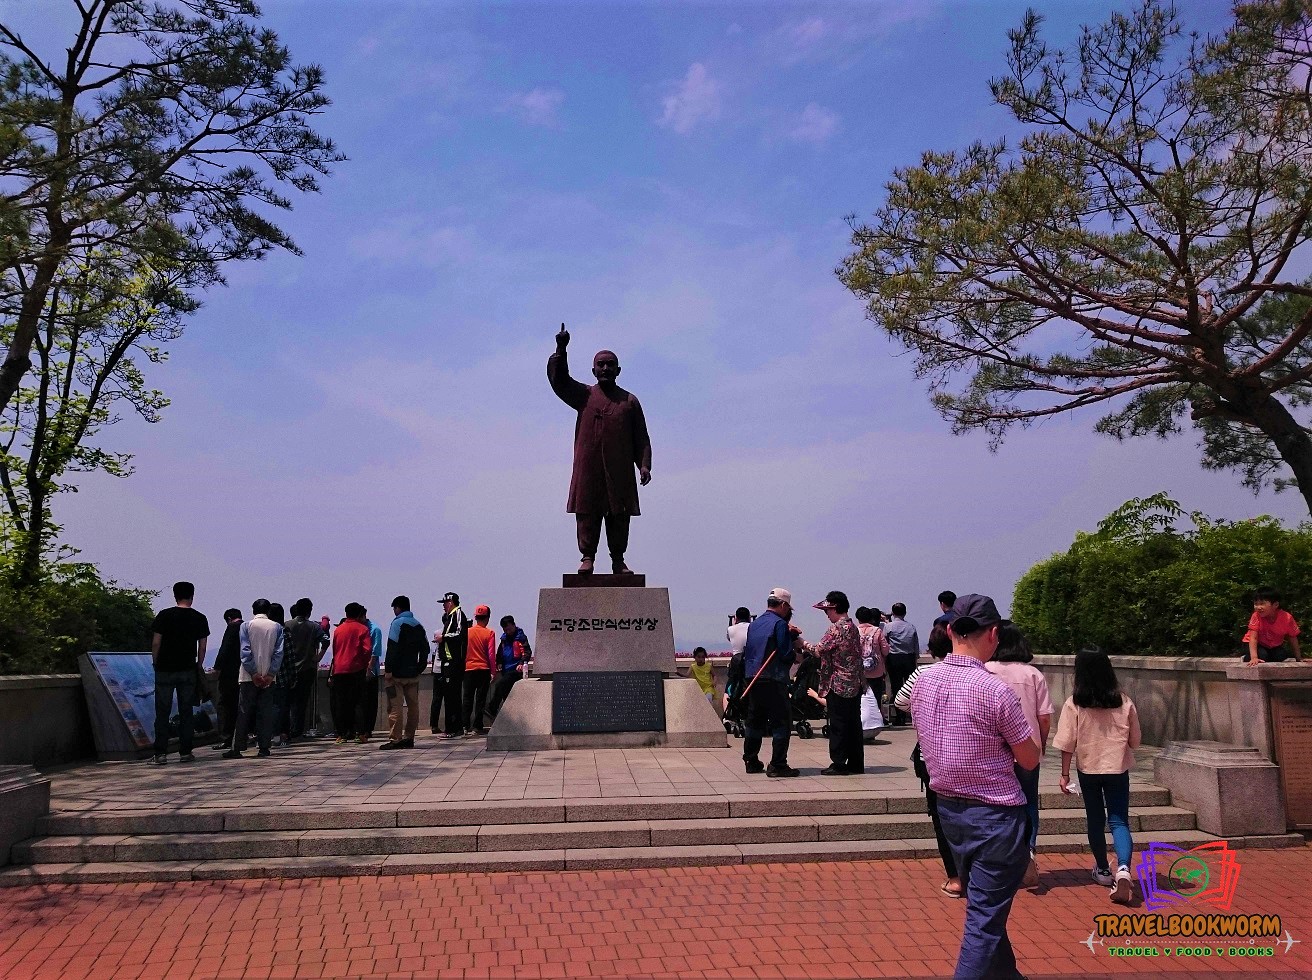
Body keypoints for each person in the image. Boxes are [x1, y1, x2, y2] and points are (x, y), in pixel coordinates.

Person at [910, 594, 1040, 980]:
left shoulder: (922, 682)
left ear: (950, 630)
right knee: (983, 921)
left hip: (950, 811)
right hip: (996, 816)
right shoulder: (994, 690)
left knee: (985, 909)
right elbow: (1029, 759)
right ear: (994, 634)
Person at [548, 324, 652, 575]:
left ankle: (618, 559)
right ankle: (587, 556)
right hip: (589, 466)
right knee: (587, 512)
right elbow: (560, 381)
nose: (605, 368)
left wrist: (644, 464)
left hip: (619, 468)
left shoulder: (629, 402)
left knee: (619, 514)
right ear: (593, 370)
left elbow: (641, 437)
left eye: (610, 364)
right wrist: (561, 348)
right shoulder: (583, 395)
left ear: (618, 370)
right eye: (601, 364)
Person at [1053, 646, 1142, 906]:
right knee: (1119, 821)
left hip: (1088, 768)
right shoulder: (1123, 701)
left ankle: (1103, 869)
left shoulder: (1075, 703)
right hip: (1117, 768)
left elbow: (1067, 742)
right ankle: (1123, 868)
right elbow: (1135, 741)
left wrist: (1064, 774)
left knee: (1095, 819)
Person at [986, 625, 1054, 889]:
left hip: (992, 749)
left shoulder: (986, 671)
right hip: (1028, 748)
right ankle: (1029, 850)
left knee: (996, 805)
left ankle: (1000, 856)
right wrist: (1041, 745)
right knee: (1029, 802)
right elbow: (1044, 718)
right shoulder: (1033, 674)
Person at [896, 625, 959, 897]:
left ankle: (955, 877)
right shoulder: (971, 673)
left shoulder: (922, 673)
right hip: (965, 753)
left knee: (939, 815)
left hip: (930, 754)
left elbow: (900, 701)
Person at [795, 591, 864, 776]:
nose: (826, 614)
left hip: (838, 684)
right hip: (855, 682)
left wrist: (802, 643)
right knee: (853, 724)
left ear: (835, 608)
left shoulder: (836, 629)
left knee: (838, 724)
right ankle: (856, 763)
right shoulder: (853, 627)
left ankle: (839, 763)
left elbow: (818, 650)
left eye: (827, 610)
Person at [741, 587, 800, 777]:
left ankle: (751, 760)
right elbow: (785, 654)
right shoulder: (780, 624)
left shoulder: (755, 624)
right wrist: (794, 647)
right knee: (781, 721)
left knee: (755, 721)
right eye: (788, 607)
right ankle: (778, 764)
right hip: (773, 678)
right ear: (783, 605)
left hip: (753, 678)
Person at [149, 581, 210, 764]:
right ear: (192, 596)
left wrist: (156, 662)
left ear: (175, 596)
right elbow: (202, 647)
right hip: (187, 669)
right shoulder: (199, 618)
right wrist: (199, 665)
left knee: (162, 711)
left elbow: (156, 643)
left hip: (165, 669)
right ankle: (185, 752)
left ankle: (160, 754)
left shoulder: (164, 615)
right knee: (186, 711)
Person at [224, 598, 284, 759]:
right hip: (269, 677)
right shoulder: (277, 627)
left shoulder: (246, 626)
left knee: (243, 712)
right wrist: (270, 674)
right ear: (268, 611)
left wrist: (253, 673)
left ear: (253, 610)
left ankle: (237, 747)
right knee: (265, 712)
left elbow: (245, 651)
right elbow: (278, 653)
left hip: (248, 676)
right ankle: (264, 747)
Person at [380, 595, 429, 750]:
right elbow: (425, 649)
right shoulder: (418, 625)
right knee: (413, 707)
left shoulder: (397, 623)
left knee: (395, 707)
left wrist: (388, 670)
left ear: (398, 608)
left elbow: (392, 648)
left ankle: (396, 739)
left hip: (396, 675)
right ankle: (409, 738)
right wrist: (419, 668)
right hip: (412, 674)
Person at [329, 603, 372, 744]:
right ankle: (360, 733)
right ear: (359, 614)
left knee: (341, 703)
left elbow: (335, 650)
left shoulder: (338, 630)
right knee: (358, 701)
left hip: (339, 669)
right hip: (356, 669)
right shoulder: (362, 629)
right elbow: (367, 650)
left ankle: (342, 734)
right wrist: (364, 664)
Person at [284, 599, 325, 740]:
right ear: (310, 611)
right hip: (307, 668)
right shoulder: (314, 627)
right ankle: (297, 731)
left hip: (289, 668)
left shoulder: (286, 625)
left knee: (287, 701)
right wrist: (319, 656)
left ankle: (285, 730)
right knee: (301, 702)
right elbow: (326, 640)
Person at [436, 592, 470, 739]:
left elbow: (460, 634)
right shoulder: (450, 616)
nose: (443, 606)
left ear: (450, 602)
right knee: (450, 696)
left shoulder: (458, 614)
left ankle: (453, 728)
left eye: (444, 603)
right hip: (448, 662)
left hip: (454, 662)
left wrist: (443, 637)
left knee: (452, 697)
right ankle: (453, 728)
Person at [210, 608, 243, 751]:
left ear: (229, 619)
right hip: (244, 672)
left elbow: (225, 648)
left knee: (225, 705)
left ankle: (226, 737)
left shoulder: (232, 627)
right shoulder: (246, 627)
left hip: (229, 674)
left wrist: (217, 667)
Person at [883, 601, 920, 726]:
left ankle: (900, 717)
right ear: (905, 613)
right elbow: (916, 646)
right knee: (911, 688)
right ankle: (913, 716)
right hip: (908, 658)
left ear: (893, 613)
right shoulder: (911, 627)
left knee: (896, 687)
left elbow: (885, 644)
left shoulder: (888, 627)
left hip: (894, 659)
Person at [1242, 586, 1303, 664]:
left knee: (1281, 655)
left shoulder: (1287, 618)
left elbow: (1293, 638)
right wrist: (1254, 658)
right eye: (1256, 604)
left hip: (1271, 646)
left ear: (1276, 605)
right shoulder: (1256, 616)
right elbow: (1253, 638)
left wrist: (1299, 658)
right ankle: (1247, 658)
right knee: (1262, 655)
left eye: (1262, 604)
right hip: (1252, 643)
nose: (1258, 607)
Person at [487, 615, 532, 720]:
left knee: (500, 684)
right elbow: (500, 653)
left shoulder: (521, 637)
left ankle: (492, 708)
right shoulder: (504, 639)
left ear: (513, 625)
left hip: (516, 670)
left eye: (509, 629)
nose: (507, 631)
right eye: (505, 630)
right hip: (505, 670)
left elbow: (527, 652)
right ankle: (508, 720)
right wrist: (499, 662)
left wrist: (521, 663)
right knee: (506, 696)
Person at [463, 604, 496, 736]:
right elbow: (491, 655)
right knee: (480, 700)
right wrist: (493, 671)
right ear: (488, 618)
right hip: (483, 669)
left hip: (468, 669)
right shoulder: (490, 633)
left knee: (467, 698)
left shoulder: (467, 632)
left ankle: (465, 725)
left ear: (476, 617)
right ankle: (477, 726)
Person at [357, 615, 384, 740]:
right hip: (359, 670)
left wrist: (369, 668)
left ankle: (368, 729)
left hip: (371, 671)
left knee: (370, 702)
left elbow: (375, 651)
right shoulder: (359, 628)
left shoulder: (374, 629)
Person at [855, 606, 889, 707]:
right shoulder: (877, 631)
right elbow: (885, 651)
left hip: (859, 671)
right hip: (876, 671)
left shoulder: (855, 631)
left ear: (858, 618)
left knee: (860, 700)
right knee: (876, 698)